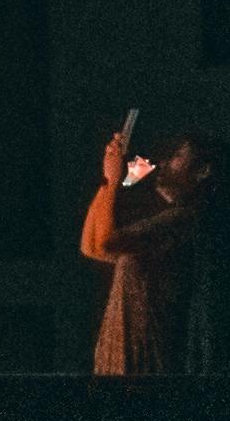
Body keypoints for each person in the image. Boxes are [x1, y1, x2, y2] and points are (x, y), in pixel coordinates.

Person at [80, 117, 216, 377]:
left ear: (203, 171)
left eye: (177, 157)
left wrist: (115, 177)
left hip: (145, 370)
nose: (163, 164)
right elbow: (91, 247)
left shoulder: (184, 220)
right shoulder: (174, 218)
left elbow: (105, 243)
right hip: (127, 368)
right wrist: (109, 182)